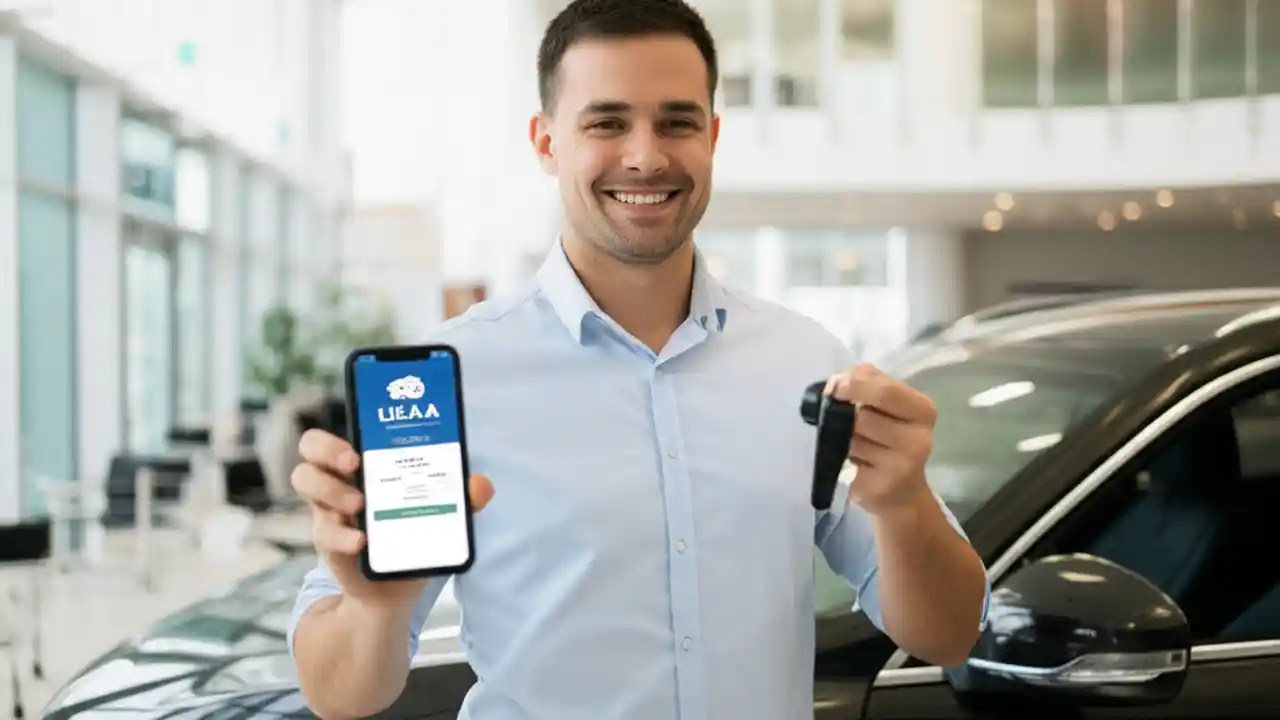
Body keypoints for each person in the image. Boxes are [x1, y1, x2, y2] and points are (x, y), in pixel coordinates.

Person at [286, 1, 990, 718]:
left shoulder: (808, 362)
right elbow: (340, 697)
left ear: (713, 136)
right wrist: (376, 609)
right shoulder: (451, 377)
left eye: (677, 122)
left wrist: (904, 504)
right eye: (606, 123)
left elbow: (949, 634)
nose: (646, 157)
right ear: (546, 142)